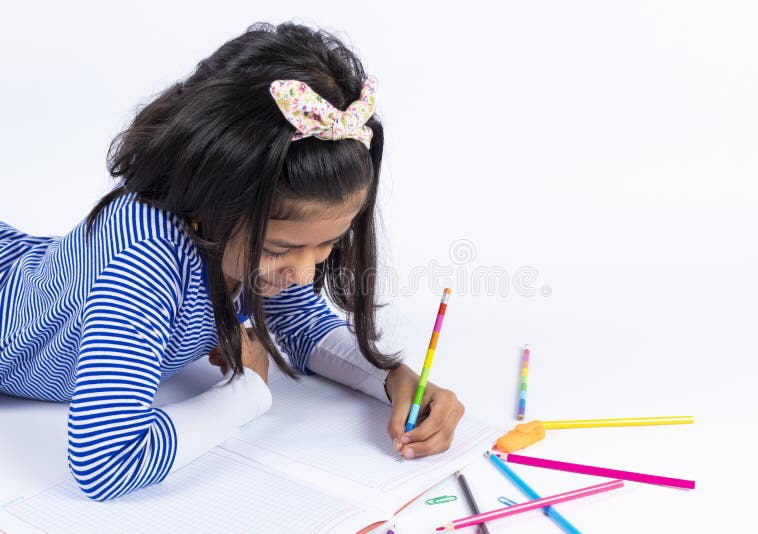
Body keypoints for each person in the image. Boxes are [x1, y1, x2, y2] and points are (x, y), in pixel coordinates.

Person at [0, 21, 464, 502]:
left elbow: (299, 319)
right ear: (213, 202)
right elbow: (106, 463)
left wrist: (391, 380)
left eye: (327, 243)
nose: (305, 273)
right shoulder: (141, 265)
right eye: (280, 250)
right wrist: (247, 394)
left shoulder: (237, 236)